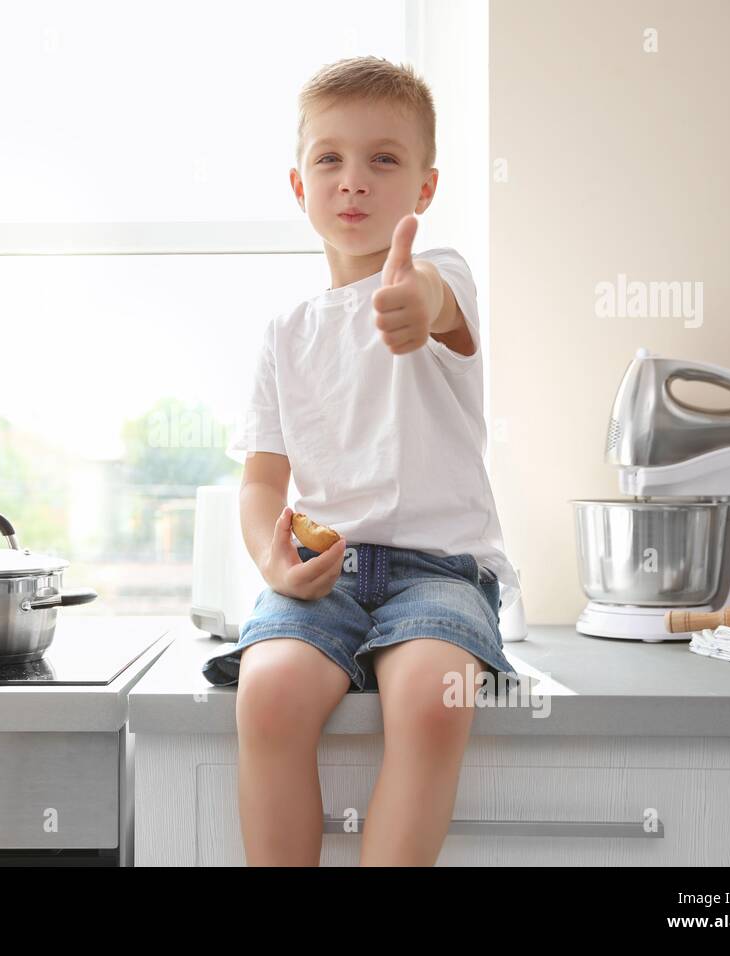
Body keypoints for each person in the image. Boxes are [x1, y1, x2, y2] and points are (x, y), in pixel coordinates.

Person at [201, 55, 521, 866]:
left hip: (441, 572)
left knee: (433, 702)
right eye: (329, 159)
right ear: (298, 185)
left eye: (384, 159)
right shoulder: (286, 333)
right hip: (325, 573)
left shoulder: (442, 277)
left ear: (424, 190)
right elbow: (263, 480)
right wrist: (271, 559)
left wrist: (414, 307)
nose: (353, 181)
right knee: (267, 694)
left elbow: (436, 310)